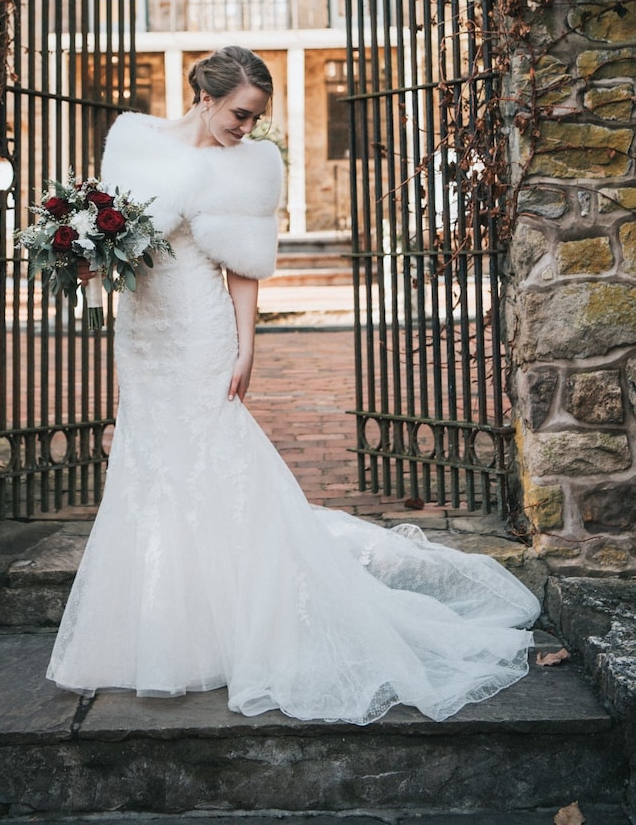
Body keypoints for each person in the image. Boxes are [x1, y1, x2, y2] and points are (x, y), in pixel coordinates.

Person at [46, 45, 540, 723]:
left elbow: (244, 265)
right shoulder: (132, 142)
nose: (245, 128)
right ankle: (162, 625)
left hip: (199, 329)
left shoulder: (247, 166)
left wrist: (248, 345)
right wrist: (78, 257)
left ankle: (239, 618)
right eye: (239, 114)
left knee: (211, 458)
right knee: (149, 461)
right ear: (206, 96)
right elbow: (115, 256)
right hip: (141, 333)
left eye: (255, 118)